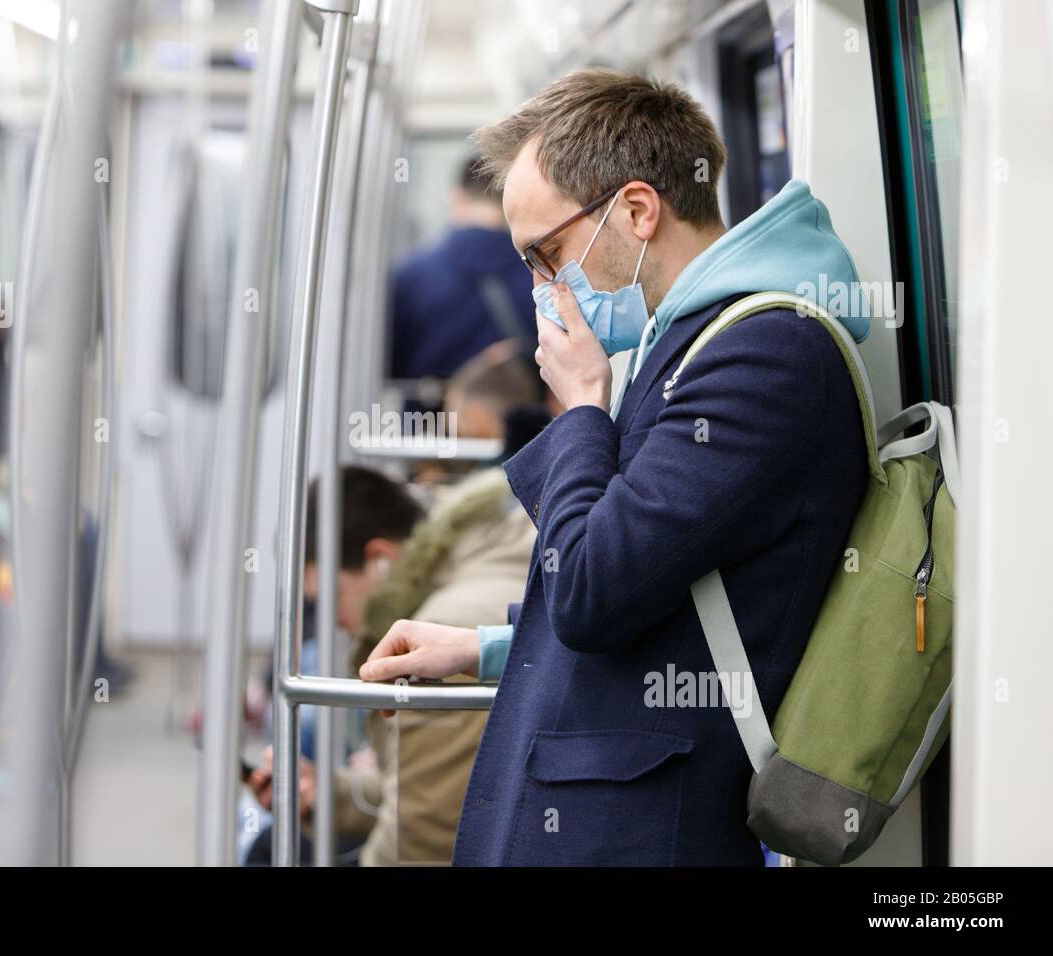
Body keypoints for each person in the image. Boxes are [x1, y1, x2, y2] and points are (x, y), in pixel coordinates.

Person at [359, 69, 871, 865]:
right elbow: (662, 591)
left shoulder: (767, 354)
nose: (541, 288)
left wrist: (583, 409)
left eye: (548, 254)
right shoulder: (687, 341)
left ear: (636, 210)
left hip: (644, 827)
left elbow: (597, 588)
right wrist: (484, 650)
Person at [245, 464, 536, 865]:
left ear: (379, 558)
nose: (331, 621)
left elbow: (422, 838)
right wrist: (334, 797)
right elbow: (441, 793)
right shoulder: (482, 547)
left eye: (331, 597)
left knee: (265, 850)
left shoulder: (444, 635)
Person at [389, 156, 537, 385]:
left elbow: (390, 363)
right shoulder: (541, 273)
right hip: (526, 418)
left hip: (429, 418)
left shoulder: (412, 274)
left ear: (457, 197)